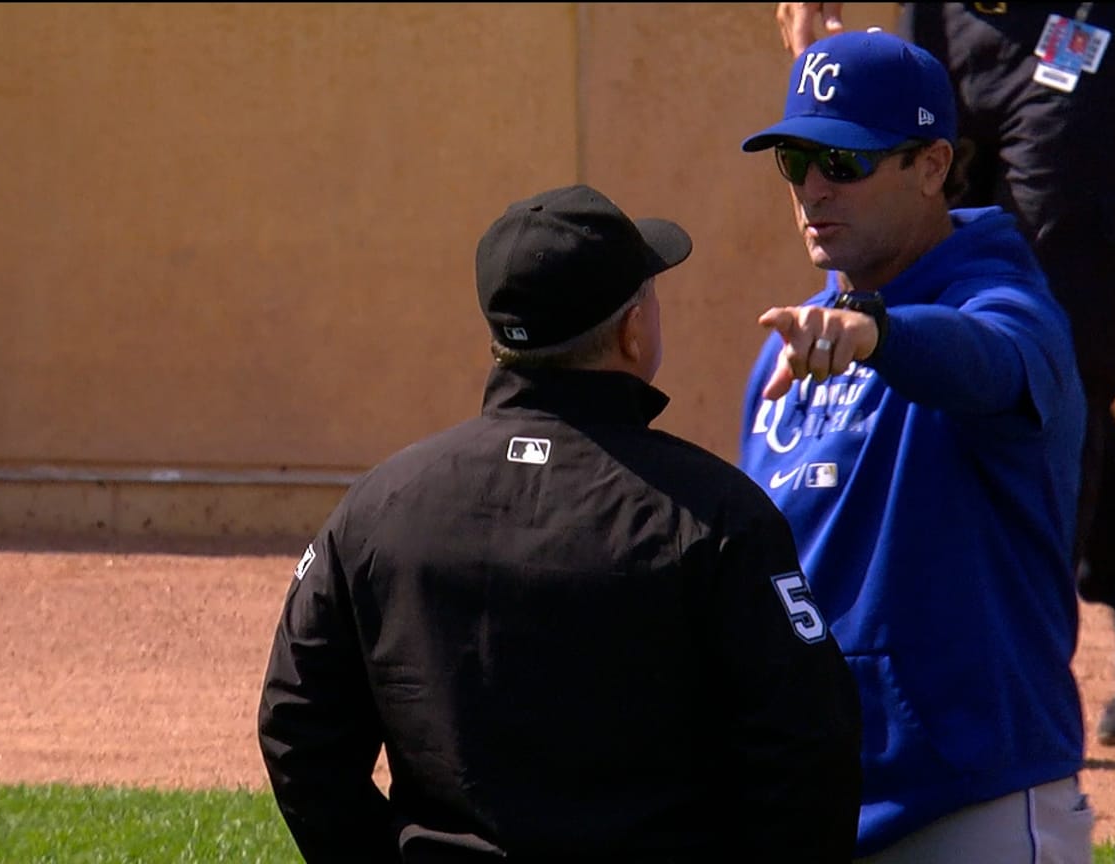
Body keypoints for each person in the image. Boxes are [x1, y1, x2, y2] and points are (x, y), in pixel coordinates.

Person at [772, 1, 1115, 746]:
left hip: (1099, 30)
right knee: (934, 315)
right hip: (952, 25)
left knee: (1049, 331)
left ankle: (1013, 715)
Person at [257, 184, 864, 863]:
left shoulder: (377, 508)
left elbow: (297, 726)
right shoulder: (716, 515)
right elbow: (812, 751)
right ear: (634, 329)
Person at [737, 29, 1093, 862]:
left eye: (845, 163)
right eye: (795, 162)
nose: (814, 191)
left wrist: (878, 336)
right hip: (817, 796)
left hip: (973, 801)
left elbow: (989, 365)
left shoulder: (1006, 307)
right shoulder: (792, 347)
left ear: (933, 165)